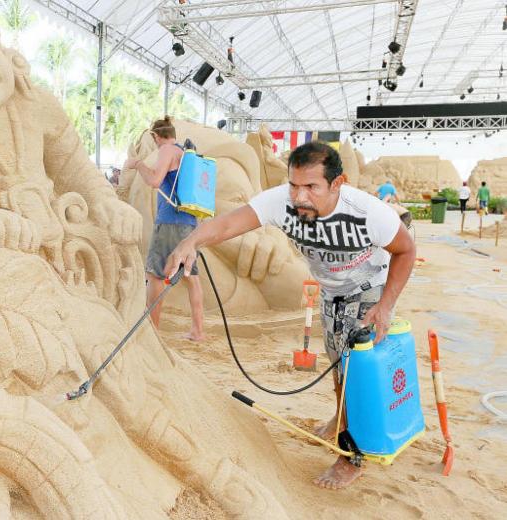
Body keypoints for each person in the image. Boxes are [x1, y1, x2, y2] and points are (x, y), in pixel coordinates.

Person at [164, 142, 416, 489]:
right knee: (336, 363)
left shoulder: (368, 212)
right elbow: (227, 225)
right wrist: (189, 243)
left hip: (370, 286)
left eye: (311, 187)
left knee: (356, 370)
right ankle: (341, 414)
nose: (299, 197)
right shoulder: (280, 200)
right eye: (294, 185)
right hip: (331, 290)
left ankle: (351, 456)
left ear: (337, 183)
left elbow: (406, 250)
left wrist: (385, 305)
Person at [124, 116, 205, 341]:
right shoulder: (183, 152)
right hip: (189, 223)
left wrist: (138, 164)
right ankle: (198, 331)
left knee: (155, 275)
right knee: (190, 276)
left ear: (156, 136)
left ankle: (152, 332)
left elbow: (155, 181)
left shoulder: (167, 151)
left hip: (170, 221)